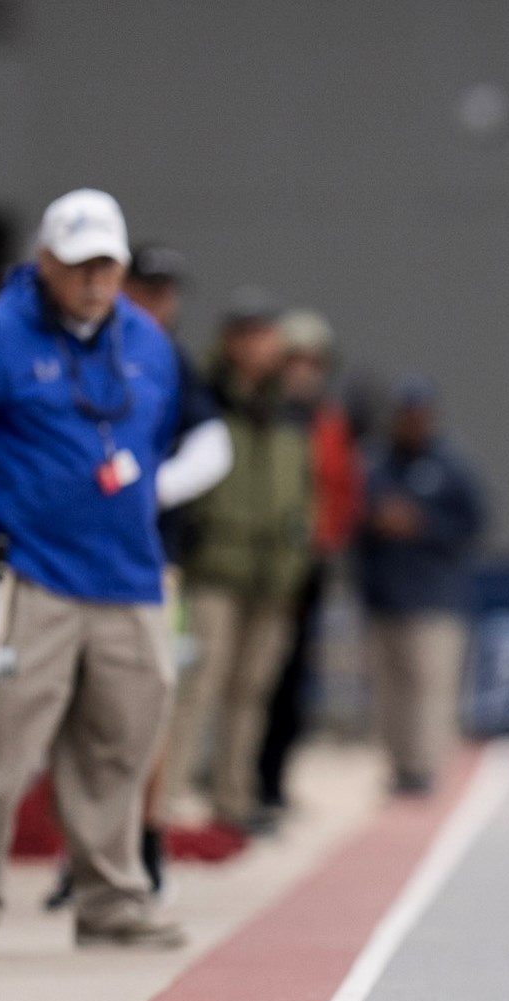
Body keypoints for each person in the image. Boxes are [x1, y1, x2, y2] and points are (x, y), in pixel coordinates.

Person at [0, 190, 187, 947]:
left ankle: (110, 902)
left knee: (122, 742)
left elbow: (162, 438)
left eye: (105, 264)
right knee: (0, 744)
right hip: (29, 570)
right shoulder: (3, 332)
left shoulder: (146, 341)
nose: (92, 280)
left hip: (128, 573)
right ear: (43, 262)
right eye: (76, 265)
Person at [162, 290, 313, 836]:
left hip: (272, 571)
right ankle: (167, 805)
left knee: (251, 691)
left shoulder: (289, 408)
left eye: (266, 334)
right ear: (229, 341)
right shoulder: (203, 396)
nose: (258, 346)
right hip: (213, 566)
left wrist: (299, 559)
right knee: (196, 686)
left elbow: (302, 488)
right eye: (247, 334)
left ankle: (234, 798)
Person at [358, 378, 485, 797]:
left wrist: (421, 524)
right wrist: (377, 524)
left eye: (420, 414)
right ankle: (399, 767)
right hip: (384, 596)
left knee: (431, 689)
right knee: (389, 690)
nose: (412, 422)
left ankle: (425, 768)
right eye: (405, 414)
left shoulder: (451, 466)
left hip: (436, 598)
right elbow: (352, 522)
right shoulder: (377, 465)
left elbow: (473, 525)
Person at [261, 309, 362, 812]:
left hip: (309, 565)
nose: (304, 371)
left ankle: (275, 781)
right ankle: (245, 781)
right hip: (262, 564)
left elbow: (341, 489)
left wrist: (326, 540)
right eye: (294, 360)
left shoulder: (328, 421)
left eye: (312, 362)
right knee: (257, 675)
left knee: (296, 674)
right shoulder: (265, 415)